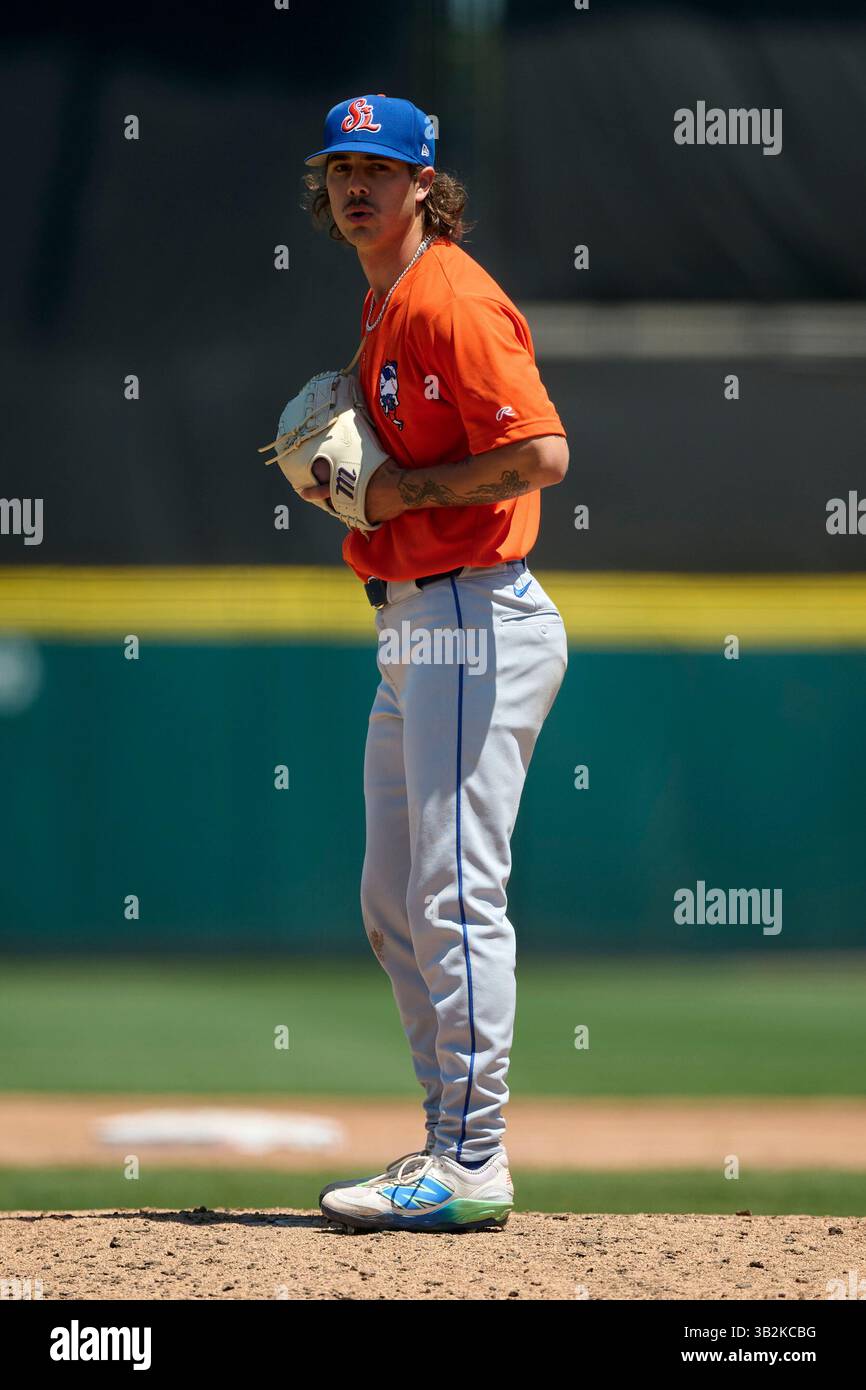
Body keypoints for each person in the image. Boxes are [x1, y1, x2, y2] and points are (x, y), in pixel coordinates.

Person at [299, 94, 569, 1231]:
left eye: (379, 167)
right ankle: (443, 1141)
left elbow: (541, 452)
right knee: (393, 901)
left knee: (452, 891)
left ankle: (471, 1157)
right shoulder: (384, 304)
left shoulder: (448, 298)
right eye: (338, 168)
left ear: (424, 184)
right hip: (416, 621)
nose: (355, 186)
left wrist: (404, 491)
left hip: (470, 615)